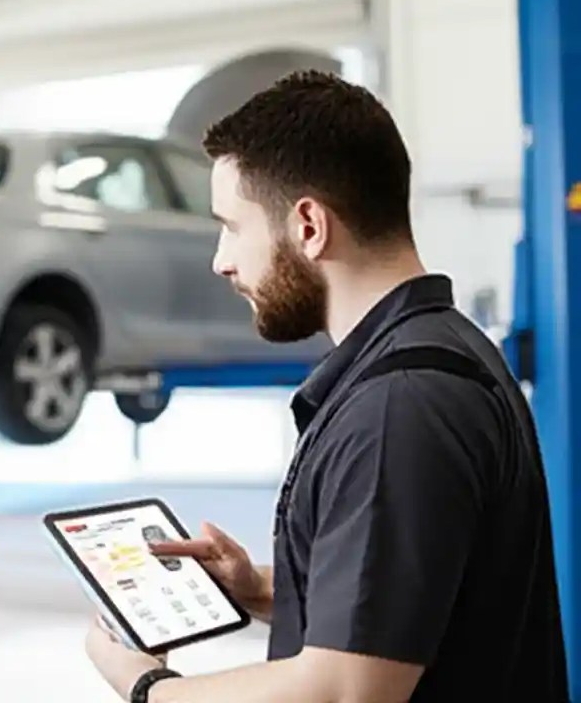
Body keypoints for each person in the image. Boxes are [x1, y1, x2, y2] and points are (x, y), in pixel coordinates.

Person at [85, 70, 568, 702]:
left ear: (308, 225)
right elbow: (421, 604)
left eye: (231, 225)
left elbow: (345, 692)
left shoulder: (400, 407)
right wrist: (260, 587)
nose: (221, 259)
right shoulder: (443, 353)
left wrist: (148, 686)